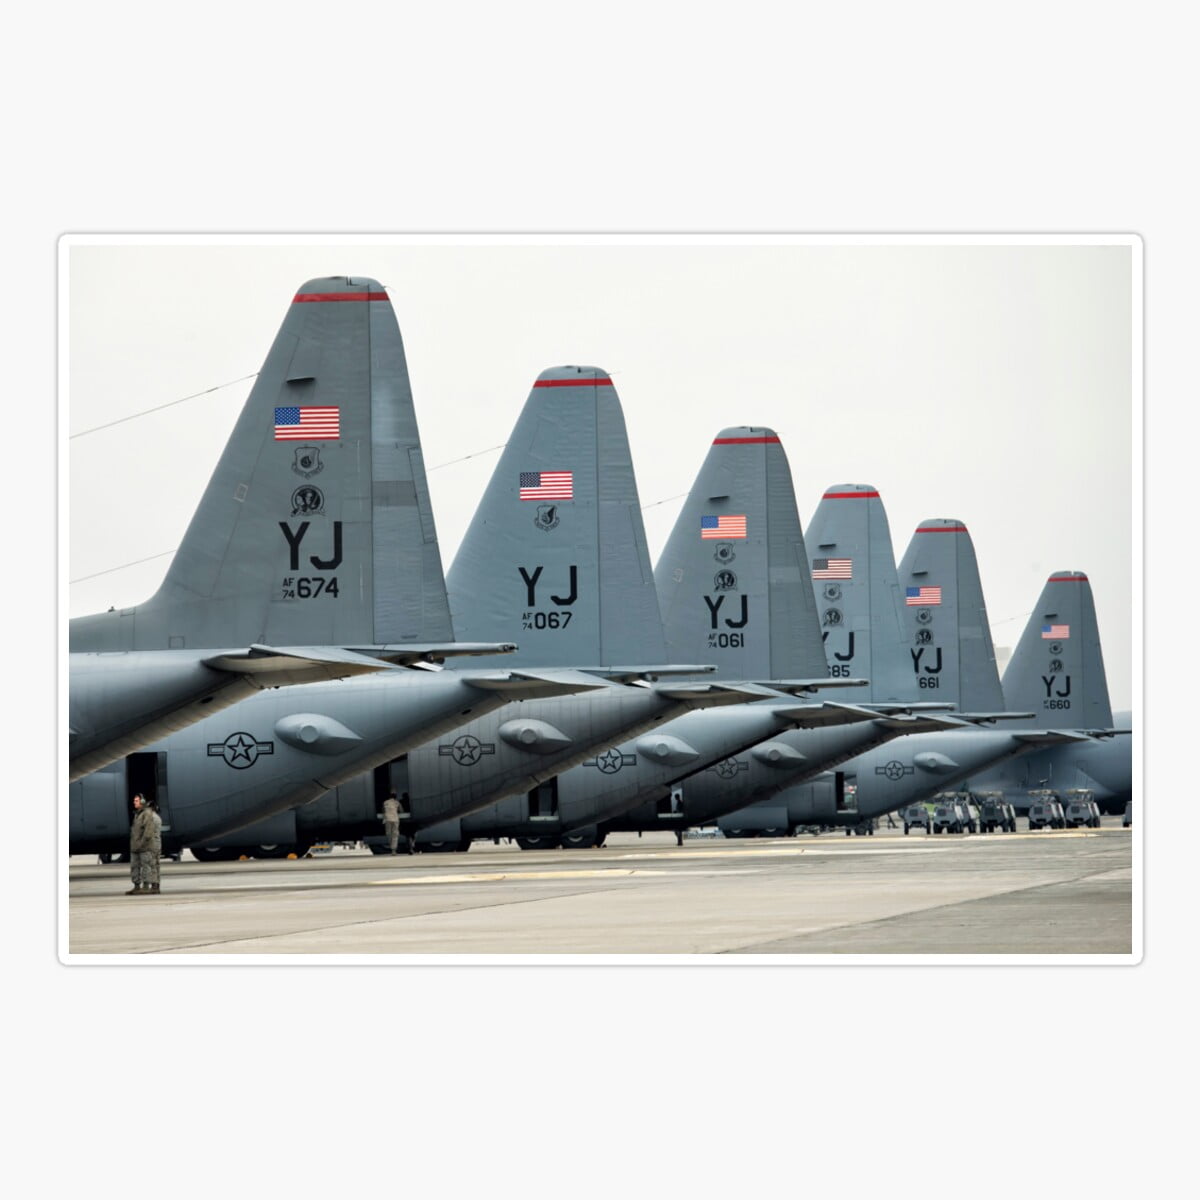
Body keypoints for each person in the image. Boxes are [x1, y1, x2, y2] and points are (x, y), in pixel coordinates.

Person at [126, 793, 163, 895]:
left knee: (150, 865)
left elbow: (148, 833)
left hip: (148, 845)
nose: (134, 803)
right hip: (143, 845)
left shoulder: (149, 816)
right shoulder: (139, 815)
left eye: (136, 801)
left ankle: (152, 886)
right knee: (152, 865)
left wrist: (141, 844)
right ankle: (153, 885)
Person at [382, 790, 402, 855]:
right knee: (395, 835)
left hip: (387, 819)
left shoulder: (385, 802)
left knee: (388, 834)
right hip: (395, 819)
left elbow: (383, 810)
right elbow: (401, 810)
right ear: (395, 796)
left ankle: (392, 848)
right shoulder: (397, 802)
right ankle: (393, 850)